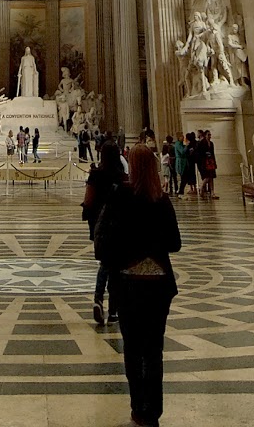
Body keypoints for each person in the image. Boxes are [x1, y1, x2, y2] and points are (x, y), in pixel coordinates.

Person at [95, 143, 181, 427]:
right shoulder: (162, 199)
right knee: (154, 349)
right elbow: (175, 243)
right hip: (159, 284)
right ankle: (153, 410)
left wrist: (122, 258)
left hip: (128, 284)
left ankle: (138, 409)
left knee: (132, 348)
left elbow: (102, 242)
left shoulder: (120, 196)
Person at [82, 138, 125, 325]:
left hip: (100, 225)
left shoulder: (95, 175)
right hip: (119, 224)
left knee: (105, 263)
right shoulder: (122, 176)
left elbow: (89, 201)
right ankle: (114, 310)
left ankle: (98, 298)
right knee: (115, 267)